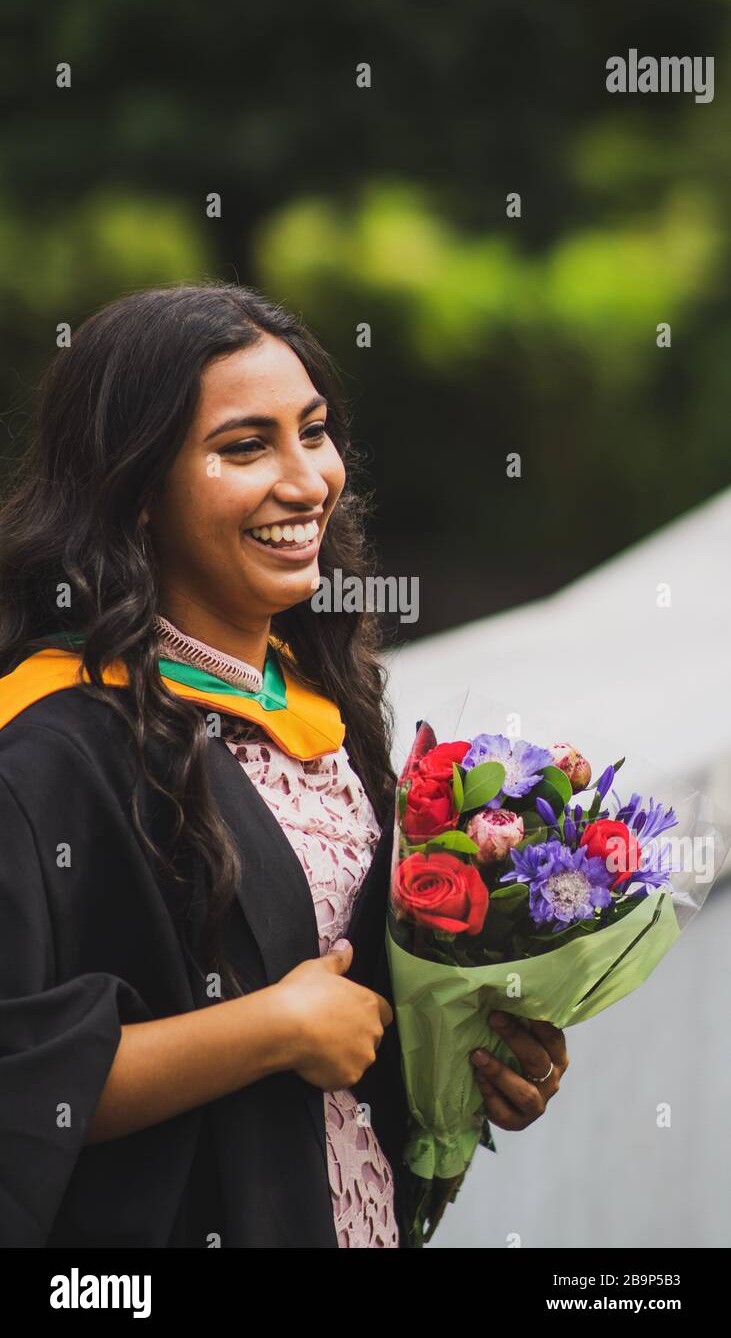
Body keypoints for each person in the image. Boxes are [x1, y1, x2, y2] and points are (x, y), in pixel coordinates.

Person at [0, 281, 568, 1249]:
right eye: (244, 446)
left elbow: (356, 1011)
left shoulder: (325, 705)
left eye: (313, 431)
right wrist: (268, 1029)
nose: (305, 480)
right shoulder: (51, 749)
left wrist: (473, 1059)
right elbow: (24, 1081)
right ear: (136, 495)